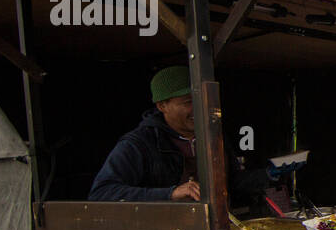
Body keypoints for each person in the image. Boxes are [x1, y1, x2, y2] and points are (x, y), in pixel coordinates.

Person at [89, 65, 269, 203]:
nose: (198, 109)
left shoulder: (214, 137)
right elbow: (102, 193)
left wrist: (269, 175)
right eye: (188, 102)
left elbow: (233, 183)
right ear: (162, 106)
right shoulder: (138, 144)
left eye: (200, 100)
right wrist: (170, 193)